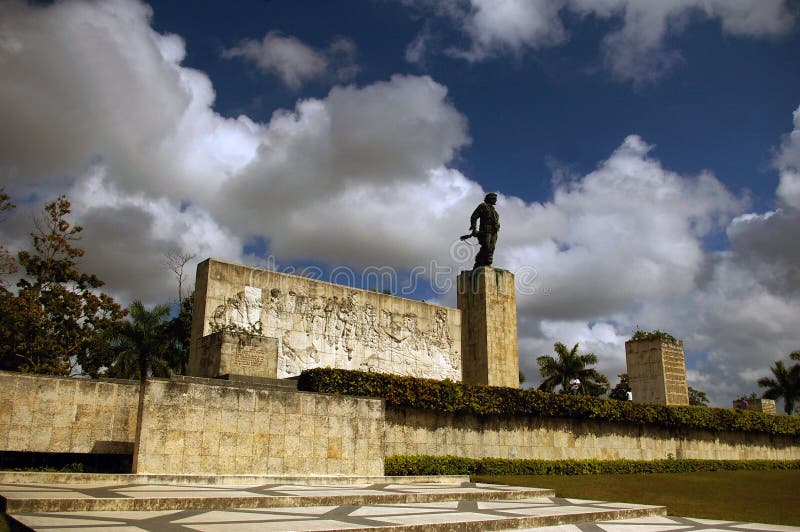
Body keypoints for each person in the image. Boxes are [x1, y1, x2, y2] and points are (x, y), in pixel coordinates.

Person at [469, 192, 500, 269]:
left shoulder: (494, 211)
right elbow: (474, 217)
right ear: (490, 199)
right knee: (486, 247)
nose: (496, 200)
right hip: (485, 231)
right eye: (494, 199)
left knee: (491, 248)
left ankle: (487, 263)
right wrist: (474, 228)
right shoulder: (483, 206)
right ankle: (479, 262)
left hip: (494, 232)